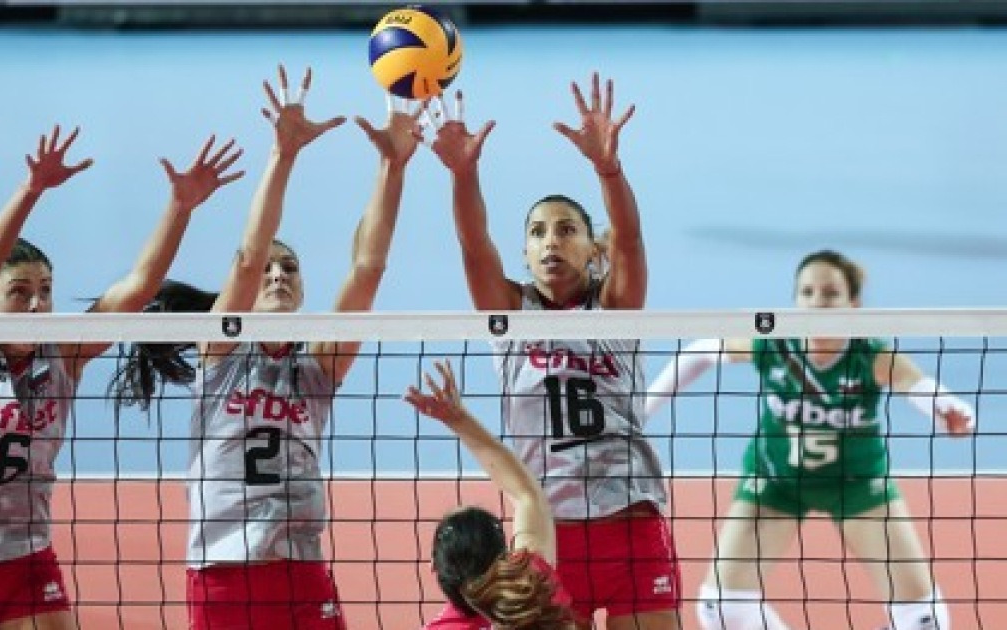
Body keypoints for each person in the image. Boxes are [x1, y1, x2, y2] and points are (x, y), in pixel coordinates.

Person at [110, 66, 425, 630]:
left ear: (303, 290)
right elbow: (247, 256)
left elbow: (367, 268)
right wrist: (283, 156)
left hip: (302, 570)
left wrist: (392, 167)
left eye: (291, 270)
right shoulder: (221, 354)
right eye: (270, 272)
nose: (277, 276)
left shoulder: (317, 368)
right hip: (222, 571)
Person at [0, 125, 243, 630]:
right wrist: (30, 191)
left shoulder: (64, 356)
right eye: (19, 292)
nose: (37, 304)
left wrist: (181, 208)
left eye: (46, 290)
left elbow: (140, 286)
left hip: (24, 554)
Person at [427, 75, 681, 629]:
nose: (551, 241)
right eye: (538, 232)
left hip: (630, 525)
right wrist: (463, 174)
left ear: (593, 250)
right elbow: (474, 247)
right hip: (548, 532)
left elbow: (632, 240)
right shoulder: (510, 318)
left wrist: (608, 169)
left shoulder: (616, 312)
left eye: (567, 230)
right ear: (524, 251)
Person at [644, 249, 976, 630]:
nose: (818, 301)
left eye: (831, 293)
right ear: (796, 300)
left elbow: (915, 385)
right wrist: (643, 411)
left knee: (924, 621)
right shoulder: (775, 343)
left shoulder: (867, 353)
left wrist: (947, 407)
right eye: (808, 291)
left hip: (856, 485)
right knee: (721, 608)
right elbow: (700, 353)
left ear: (853, 303)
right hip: (776, 482)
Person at [405, 359, 586, 630]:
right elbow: (526, 494)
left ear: (435, 567)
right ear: (505, 558)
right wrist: (458, 419)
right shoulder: (534, 586)